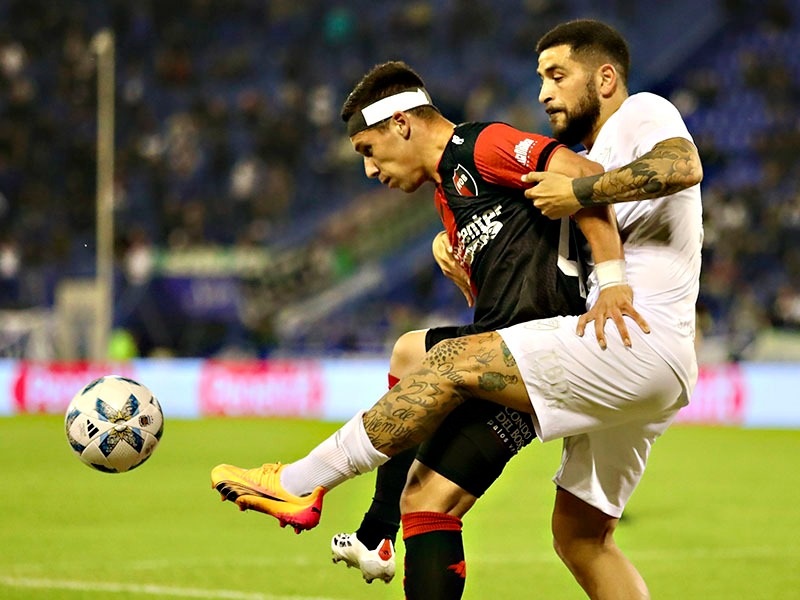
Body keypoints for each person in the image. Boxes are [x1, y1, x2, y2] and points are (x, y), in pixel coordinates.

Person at [212, 18, 704, 600]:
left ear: (603, 78)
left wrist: (585, 210)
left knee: (441, 361)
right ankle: (378, 530)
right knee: (580, 539)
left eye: (556, 75)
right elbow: (532, 280)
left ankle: (301, 483)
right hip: (614, 349)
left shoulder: (640, 113)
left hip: (632, 340)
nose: (544, 92)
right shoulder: (552, 164)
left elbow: (683, 167)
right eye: (540, 77)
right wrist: (471, 273)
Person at [322, 58, 647, 591]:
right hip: (513, 349)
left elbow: (585, 178)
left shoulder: (481, 145)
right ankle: (378, 532)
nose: (369, 170)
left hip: (552, 352)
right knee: (428, 503)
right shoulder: (448, 197)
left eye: (367, 151)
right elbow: (496, 297)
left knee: (409, 356)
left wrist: (611, 277)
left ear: (401, 124)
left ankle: (374, 529)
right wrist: (460, 275)